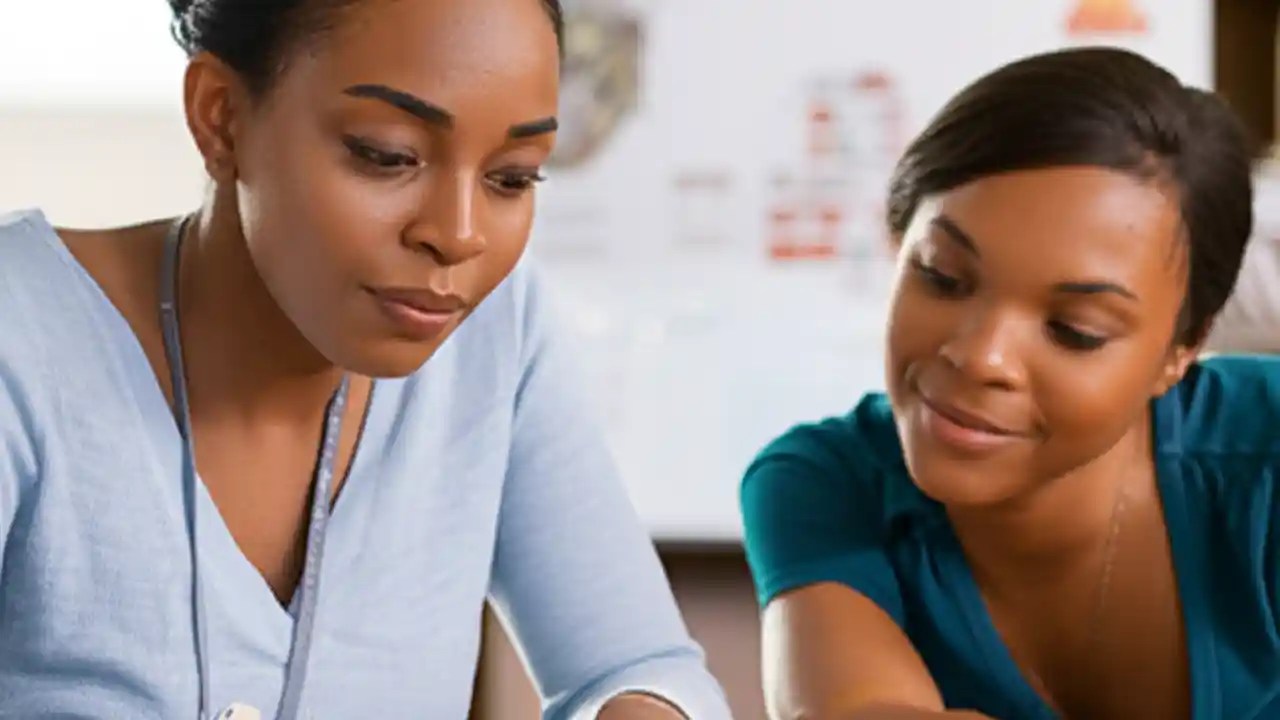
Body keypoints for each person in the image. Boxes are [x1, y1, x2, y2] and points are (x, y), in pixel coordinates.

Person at [0, 1, 732, 718]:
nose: (459, 235)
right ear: (221, 116)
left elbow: (638, 667)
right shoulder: (22, 335)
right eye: (388, 156)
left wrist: (641, 708)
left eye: (511, 176)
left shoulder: (494, 338)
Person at [741, 47, 1270, 720]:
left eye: (1075, 328)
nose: (981, 356)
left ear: (1182, 350)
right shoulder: (825, 484)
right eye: (943, 277)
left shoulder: (1266, 461)